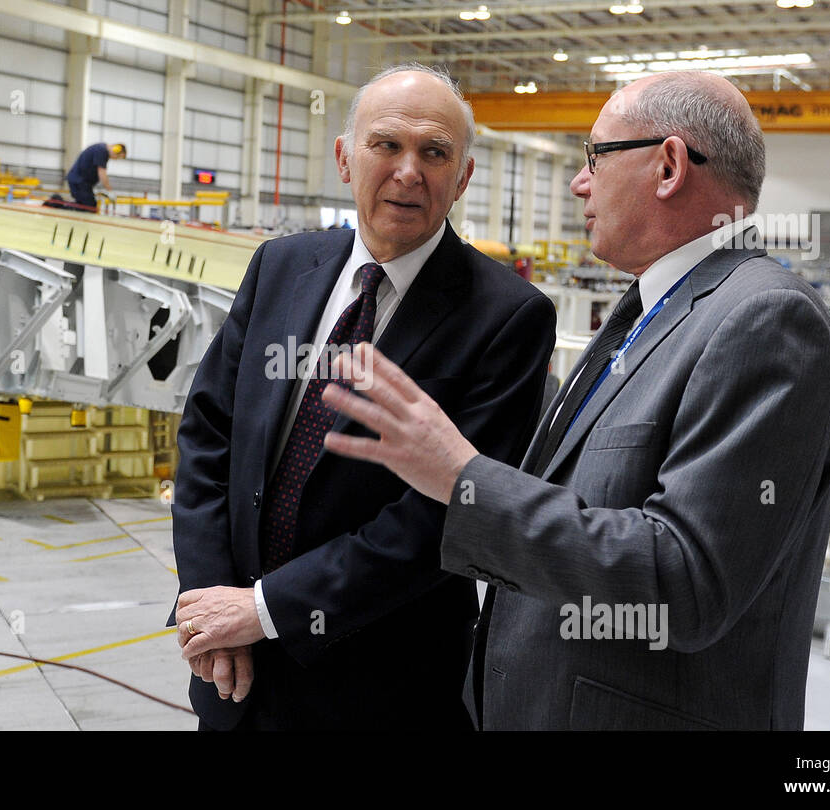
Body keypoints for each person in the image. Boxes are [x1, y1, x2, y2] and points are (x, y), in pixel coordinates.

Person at [319, 70, 830, 730]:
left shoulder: (765, 320)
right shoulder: (647, 313)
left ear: (667, 165)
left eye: (595, 156)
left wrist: (463, 477)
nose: (579, 182)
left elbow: (684, 581)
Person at [169, 64, 556, 730]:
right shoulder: (280, 266)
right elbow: (209, 433)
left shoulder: (508, 317)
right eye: (387, 145)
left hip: (380, 689)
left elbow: (442, 517)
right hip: (234, 676)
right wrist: (212, 605)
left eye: (434, 153)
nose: (409, 170)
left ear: (461, 178)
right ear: (347, 160)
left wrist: (262, 610)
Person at [65, 142, 125, 210]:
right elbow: (102, 173)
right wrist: (110, 191)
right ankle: (57, 204)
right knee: (90, 207)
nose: (116, 159)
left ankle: (60, 205)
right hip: (79, 182)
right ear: (116, 150)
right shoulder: (102, 151)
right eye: (118, 157)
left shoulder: (100, 149)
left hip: (81, 182)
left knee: (82, 206)